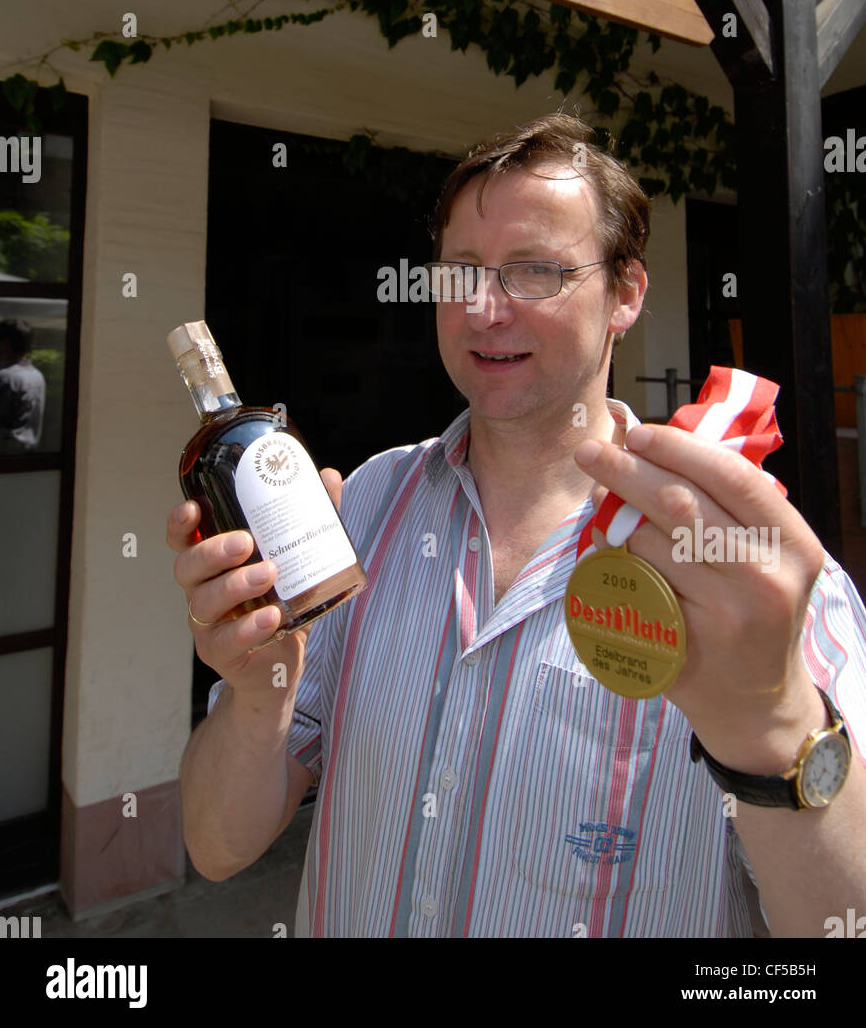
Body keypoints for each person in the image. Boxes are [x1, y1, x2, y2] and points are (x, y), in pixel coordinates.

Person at [168, 113, 866, 938]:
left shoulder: (733, 564)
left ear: (628, 293)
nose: (485, 310)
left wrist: (772, 722)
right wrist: (256, 697)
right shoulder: (364, 507)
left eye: (536, 271)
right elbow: (217, 849)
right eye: (462, 272)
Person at [0, 317, 46, 453]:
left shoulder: (5, 377)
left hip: (3, 455)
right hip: (26, 455)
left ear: (5, 343)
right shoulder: (37, 375)